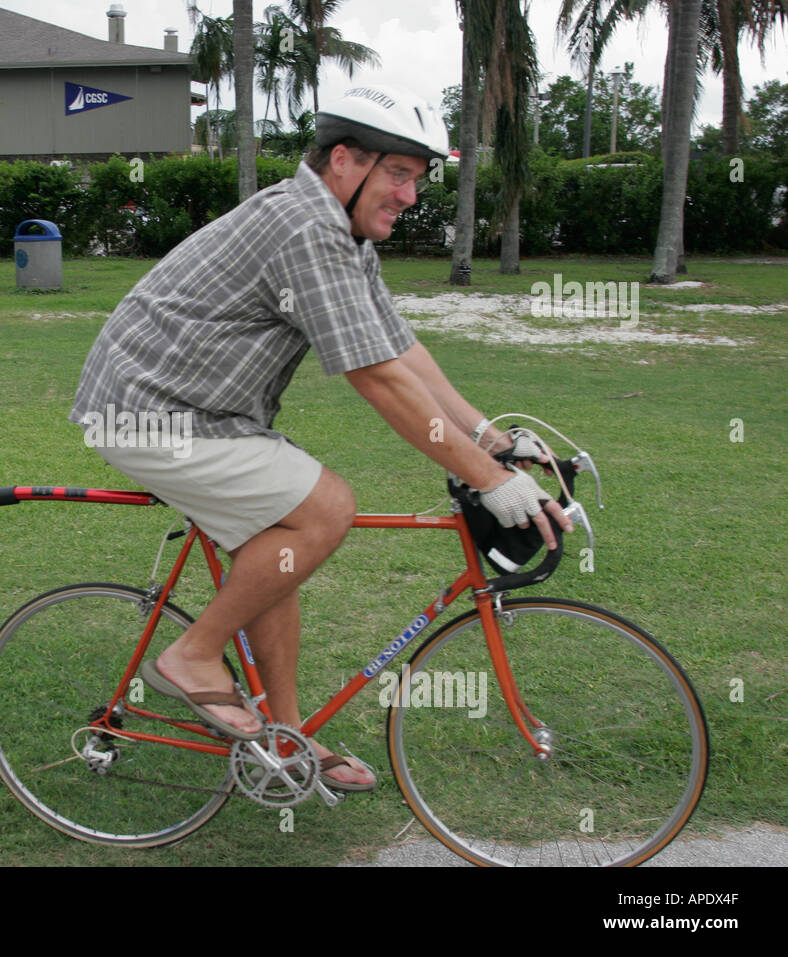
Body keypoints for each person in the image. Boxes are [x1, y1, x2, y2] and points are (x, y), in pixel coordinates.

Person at [69, 84, 571, 793]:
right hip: (151, 413)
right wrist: (490, 480)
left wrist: (488, 438)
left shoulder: (341, 230)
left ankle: (286, 741)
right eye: (399, 174)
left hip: (204, 414)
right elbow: (377, 379)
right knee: (326, 505)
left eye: (417, 181)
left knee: (277, 550)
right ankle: (192, 657)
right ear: (345, 160)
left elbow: (401, 351)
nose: (409, 195)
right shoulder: (307, 228)